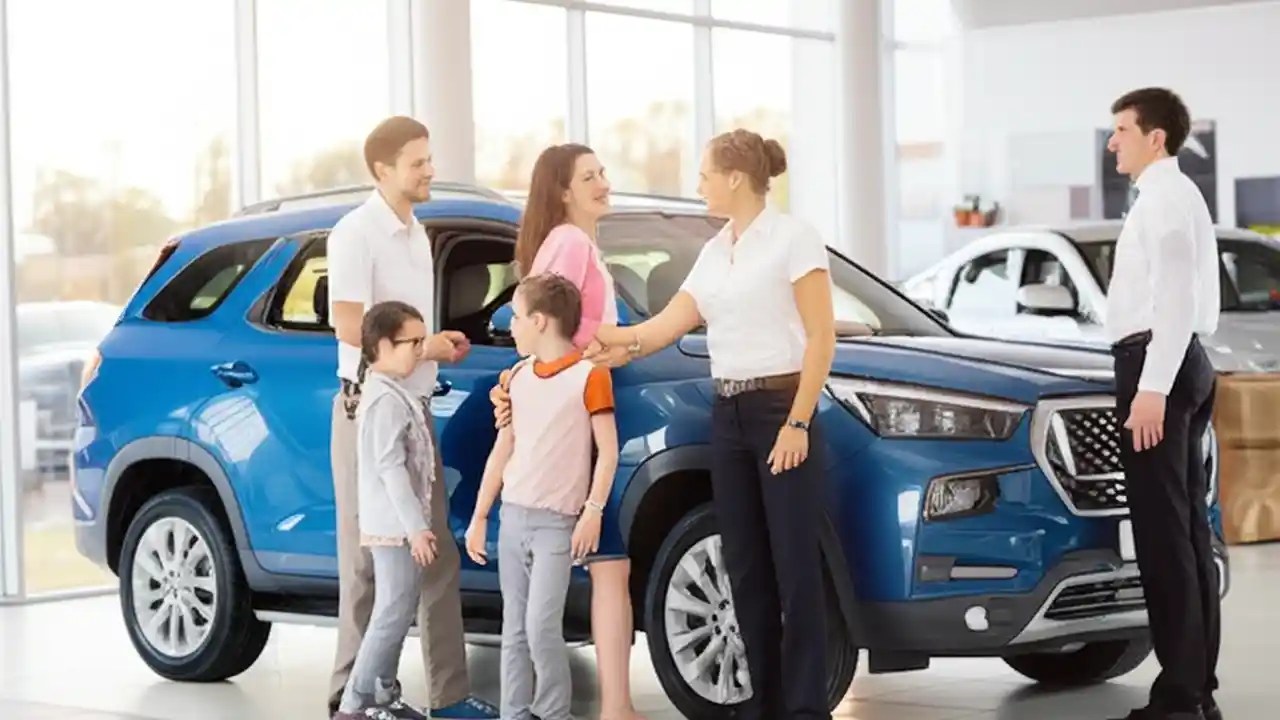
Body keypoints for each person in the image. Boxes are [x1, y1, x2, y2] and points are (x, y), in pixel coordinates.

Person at [587, 129, 837, 720]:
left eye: (704, 174)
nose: (698, 184)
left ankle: (805, 710)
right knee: (744, 567)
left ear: (735, 178)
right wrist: (608, 342)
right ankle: (763, 705)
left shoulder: (793, 239)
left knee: (796, 570)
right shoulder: (715, 249)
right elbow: (663, 328)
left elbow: (822, 337)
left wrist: (798, 422)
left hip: (783, 411)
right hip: (728, 415)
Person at [326, 115, 498, 719]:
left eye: (430, 159)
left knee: (435, 555)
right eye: (418, 162)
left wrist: (432, 343)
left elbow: (404, 332)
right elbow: (350, 324)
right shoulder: (355, 233)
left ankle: (448, 699)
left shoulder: (417, 232)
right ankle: (349, 699)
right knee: (369, 565)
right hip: (368, 410)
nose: (430, 170)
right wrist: (423, 347)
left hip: (416, 408)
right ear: (383, 170)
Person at [489, 142, 644, 720]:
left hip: (582, 411)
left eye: (603, 171)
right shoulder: (571, 242)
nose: (604, 182)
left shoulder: (575, 242)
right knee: (606, 565)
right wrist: (609, 349)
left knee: (611, 566)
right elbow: (545, 326)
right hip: (575, 420)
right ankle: (606, 708)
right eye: (589, 176)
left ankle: (616, 706)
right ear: (562, 190)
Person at [1104, 88, 1222, 720]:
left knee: (1164, 536)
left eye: (1121, 129)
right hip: (1180, 363)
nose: (1111, 141)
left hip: (1160, 366)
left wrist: (1150, 388)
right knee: (1186, 533)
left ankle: (1179, 695)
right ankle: (1195, 685)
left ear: (1155, 138)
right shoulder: (1172, 196)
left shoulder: (1164, 201)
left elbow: (1174, 299)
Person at [465, 273, 620, 720]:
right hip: (513, 517)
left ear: (539, 321)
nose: (509, 326)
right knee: (513, 627)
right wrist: (480, 516)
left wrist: (592, 512)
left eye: (514, 317)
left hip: (558, 523)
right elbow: (503, 448)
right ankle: (514, 713)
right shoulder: (515, 377)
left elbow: (607, 451)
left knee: (540, 625)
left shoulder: (590, 378)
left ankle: (553, 713)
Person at [333, 301, 442, 720]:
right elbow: (391, 470)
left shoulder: (397, 393)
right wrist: (415, 528)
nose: (420, 349)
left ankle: (383, 694)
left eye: (421, 340)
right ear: (381, 346)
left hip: (402, 525)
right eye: (411, 342)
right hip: (394, 527)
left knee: (400, 605)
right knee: (392, 608)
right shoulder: (384, 401)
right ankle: (355, 703)